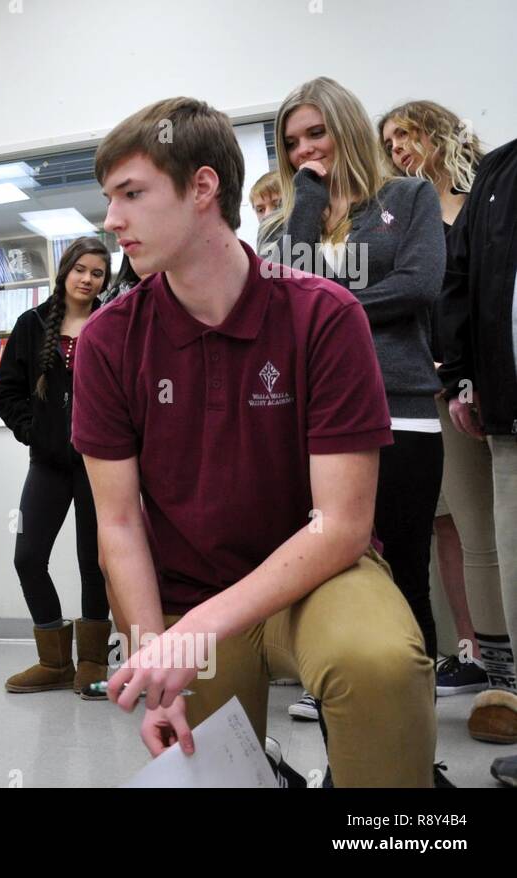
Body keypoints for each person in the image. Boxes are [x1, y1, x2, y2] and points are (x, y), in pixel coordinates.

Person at [76, 96, 435, 786]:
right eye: (108, 198)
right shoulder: (108, 341)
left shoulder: (323, 315)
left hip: (317, 577)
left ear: (203, 187)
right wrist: (156, 659)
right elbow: (118, 523)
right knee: (205, 757)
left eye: (131, 193)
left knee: (379, 663)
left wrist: (200, 627)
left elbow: (342, 527)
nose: (111, 219)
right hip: (184, 590)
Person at [263, 78, 446, 724]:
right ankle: (351, 730)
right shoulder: (287, 221)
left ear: (345, 127)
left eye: (317, 133)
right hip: (313, 424)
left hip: (401, 412)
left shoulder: (408, 195)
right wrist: (308, 200)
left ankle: (410, 745)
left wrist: (329, 310)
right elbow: (281, 297)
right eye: (292, 143)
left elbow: (420, 284)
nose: (305, 149)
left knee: (403, 576)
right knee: (332, 574)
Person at [379, 100, 496, 700]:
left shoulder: (487, 194)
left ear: (436, 130)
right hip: (438, 389)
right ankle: (476, 651)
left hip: (491, 378)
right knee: (453, 523)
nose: (398, 147)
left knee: (500, 523)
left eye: (406, 134)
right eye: (390, 141)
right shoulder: (402, 211)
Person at [0, 236, 110, 697]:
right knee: (27, 557)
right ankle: (55, 661)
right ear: (65, 271)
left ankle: (94, 663)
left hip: (100, 467)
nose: (87, 279)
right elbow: (6, 393)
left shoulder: (111, 322)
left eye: (97, 273)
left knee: (94, 563)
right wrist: (35, 431)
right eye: (80, 269)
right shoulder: (31, 324)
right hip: (48, 463)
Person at [437, 133, 517, 749]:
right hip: (496, 398)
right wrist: (464, 376)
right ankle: (502, 676)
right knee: (495, 541)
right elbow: (458, 286)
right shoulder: (500, 172)